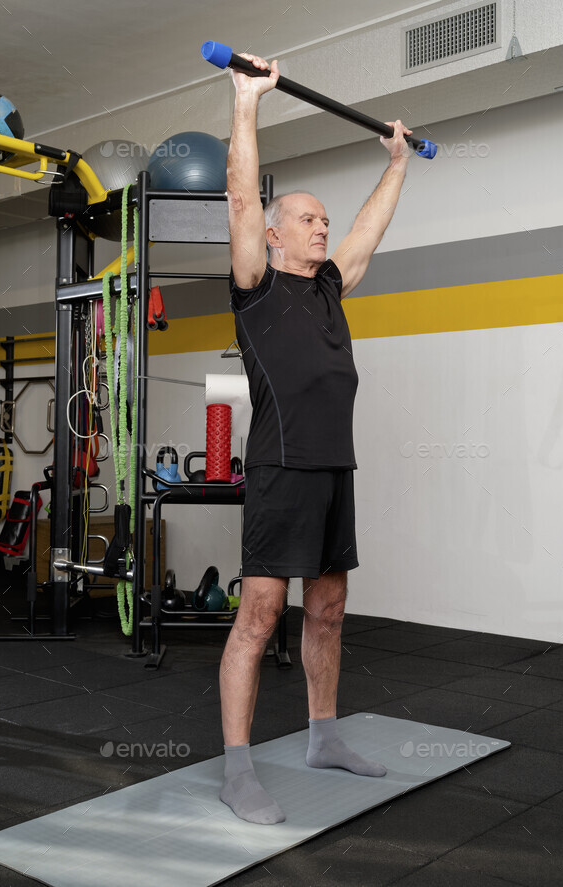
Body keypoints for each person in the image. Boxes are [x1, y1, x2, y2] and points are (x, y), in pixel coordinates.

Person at [219, 53, 412, 825]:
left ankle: (323, 736)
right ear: (272, 233)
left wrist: (397, 163)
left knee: (328, 608)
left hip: (336, 468)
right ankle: (237, 769)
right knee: (261, 614)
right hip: (281, 468)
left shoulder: (331, 283)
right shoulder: (255, 289)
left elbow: (368, 227)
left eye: (322, 220)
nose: (321, 225)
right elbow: (239, 192)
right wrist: (246, 101)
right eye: (307, 218)